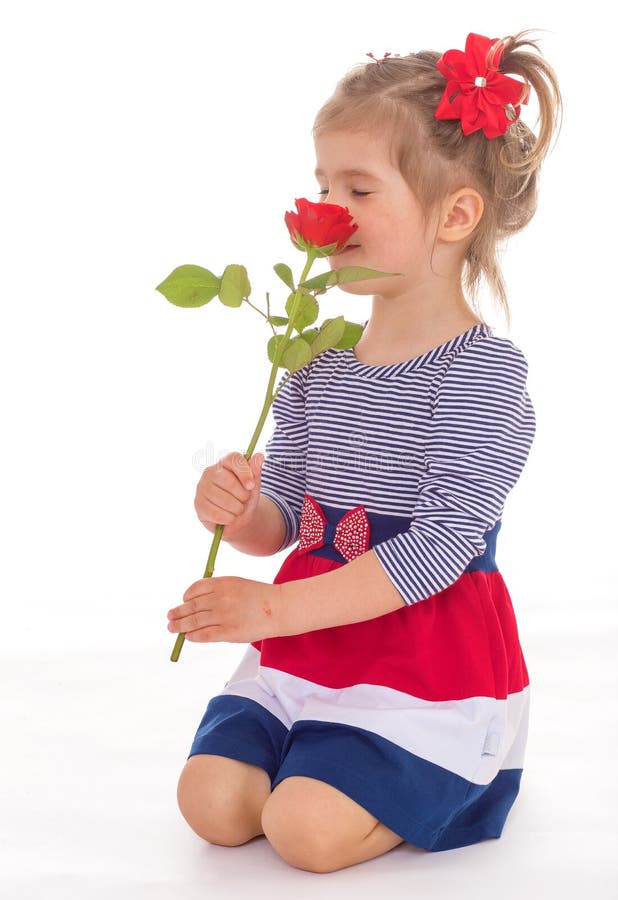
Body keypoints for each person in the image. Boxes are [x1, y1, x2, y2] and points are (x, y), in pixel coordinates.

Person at [168, 30, 562, 873]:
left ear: (455, 215)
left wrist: (270, 612)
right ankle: (315, 745)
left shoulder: (481, 375)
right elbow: (286, 522)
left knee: (303, 830)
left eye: (359, 188)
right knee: (211, 803)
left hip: (420, 651)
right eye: (321, 184)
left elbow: (440, 546)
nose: (330, 210)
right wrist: (241, 513)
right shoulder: (318, 358)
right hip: (314, 638)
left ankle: (452, 776)